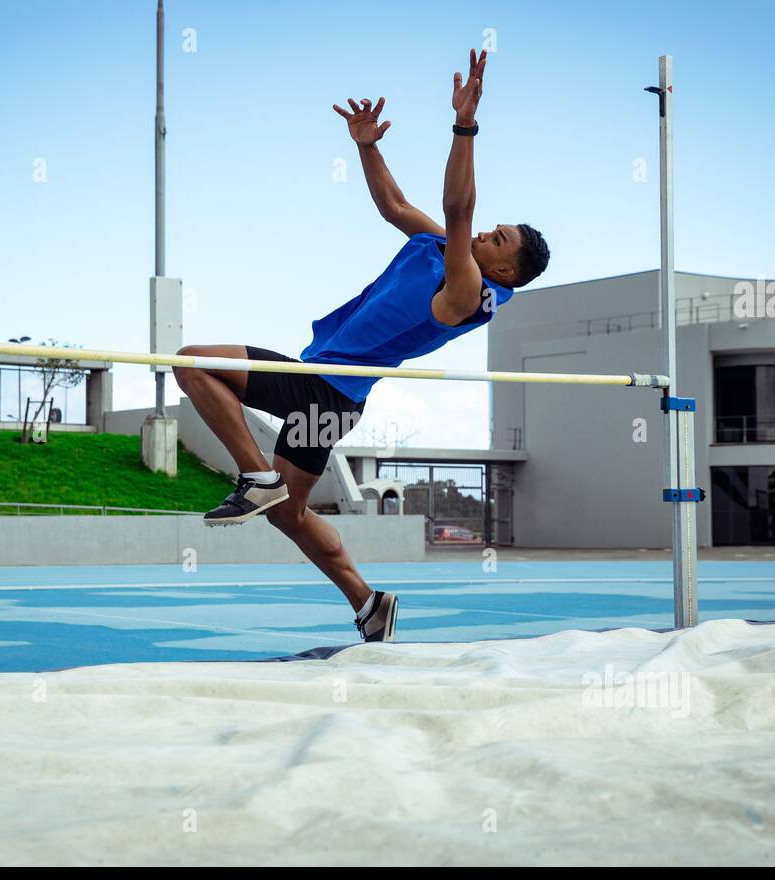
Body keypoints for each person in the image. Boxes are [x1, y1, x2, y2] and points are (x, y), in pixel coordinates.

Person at [173, 49, 550, 643]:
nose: (484, 233)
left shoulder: (467, 288)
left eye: (497, 238)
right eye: (490, 227)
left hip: (330, 395)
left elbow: (457, 208)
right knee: (287, 512)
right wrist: (367, 146)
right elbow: (396, 207)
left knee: (195, 363)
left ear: (507, 272)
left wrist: (465, 124)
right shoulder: (436, 247)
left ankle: (257, 478)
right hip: (317, 377)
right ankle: (369, 603)